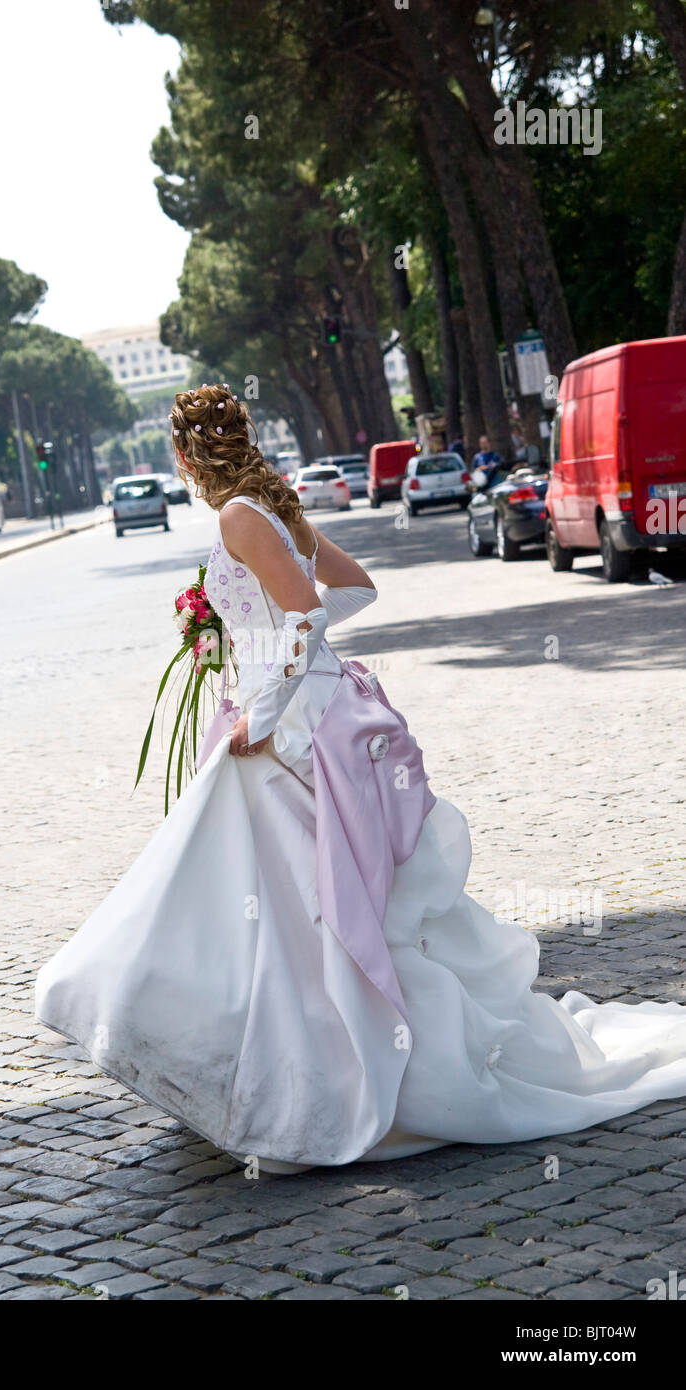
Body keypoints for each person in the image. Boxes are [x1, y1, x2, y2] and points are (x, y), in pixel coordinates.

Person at [35, 382, 686, 1172]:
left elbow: (309, 612)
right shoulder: (272, 507)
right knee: (280, 902)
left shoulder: (240, 515)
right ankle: (277, 1060)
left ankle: (299, 1068)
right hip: (304, 710)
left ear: (182, 453)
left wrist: (264, 701)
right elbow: (353, 591)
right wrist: (249, 639)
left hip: (290, 733)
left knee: (289, 899)